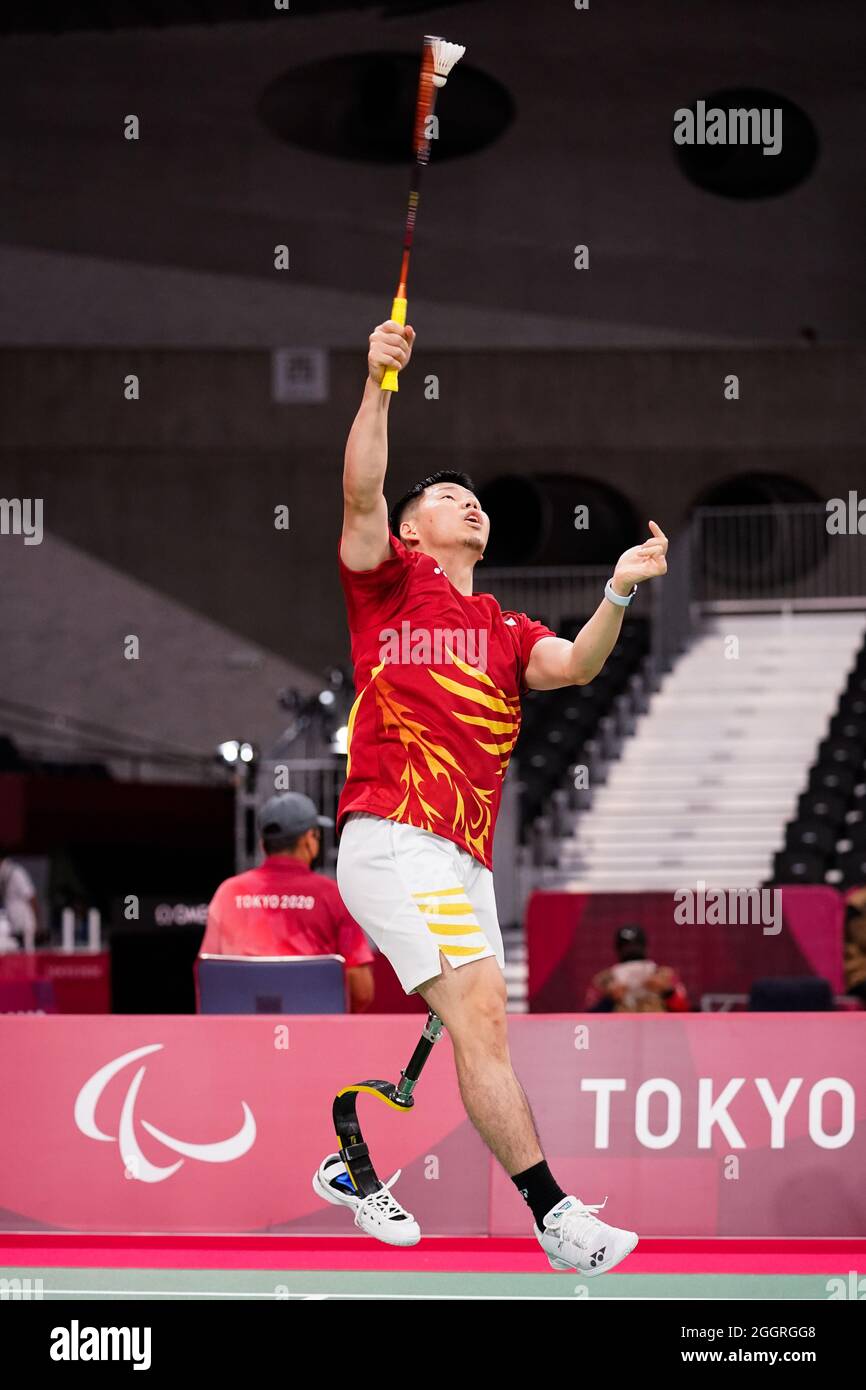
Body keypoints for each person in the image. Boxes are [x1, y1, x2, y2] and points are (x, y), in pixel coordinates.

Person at [312, 319, 669, 1276]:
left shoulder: (505, 627)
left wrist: (619, 593)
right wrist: (377, 383)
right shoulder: (386, 586)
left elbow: (577, 665)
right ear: (412, 527)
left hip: (456, 853)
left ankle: (352, 1164)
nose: (469, 507)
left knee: (483, 1027)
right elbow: (357, 489)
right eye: (447, 499)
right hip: (395, 831)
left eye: (476, 500)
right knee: (477, 1020)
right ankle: (557, 1222)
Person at [199, 792, 375, 1012]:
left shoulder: (228, 893)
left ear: (263, 844)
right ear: (309, 839)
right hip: (317, 1036)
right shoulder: (334, 895)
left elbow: (209, 980)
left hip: (240, 1036)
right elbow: (362, 990)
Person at [585, 924, 690, 1013]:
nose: (631, 951)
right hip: (619, 1033)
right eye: (626, 947)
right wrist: (610, 999)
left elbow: (685, 1010)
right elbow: (589, 1017)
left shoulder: (664, 975)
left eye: (636, 946)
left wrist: (666, 992)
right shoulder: (603, 980)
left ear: (645, 947)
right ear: (618, 949)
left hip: (658, 1032)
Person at [0, 845, 39, 950]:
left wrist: (37, 921)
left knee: (27, 953)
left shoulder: (17, 872)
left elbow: (31, 896)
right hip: (10, 922)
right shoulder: (2, 873)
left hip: (25, 922)